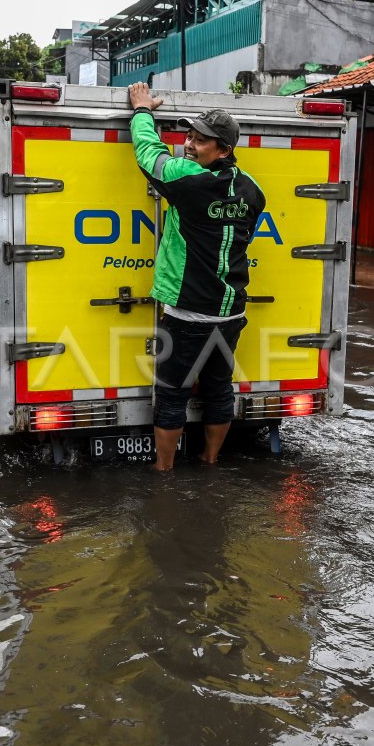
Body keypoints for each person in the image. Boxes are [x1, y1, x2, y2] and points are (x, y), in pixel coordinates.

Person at [126, 82, 266, 470]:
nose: (189, 144)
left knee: (171, 393)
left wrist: (141, 111)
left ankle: (164, 470)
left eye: (201, 141)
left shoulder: (191, 182)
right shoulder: (252, 190)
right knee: (219, 388)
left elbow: (149, 155)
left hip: (188, 315)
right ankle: (209, 460)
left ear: (224, 150)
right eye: (189, 135)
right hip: (231, 313)